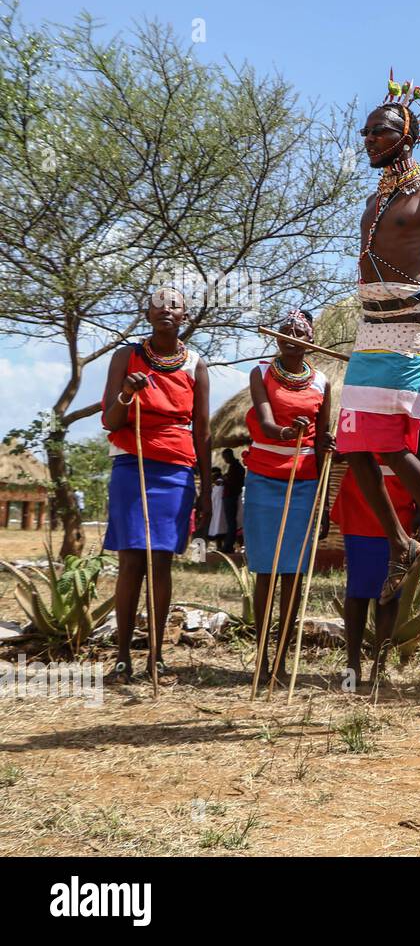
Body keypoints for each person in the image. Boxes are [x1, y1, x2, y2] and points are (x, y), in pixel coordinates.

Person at [336, 74, 420, 605]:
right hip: (370, 329)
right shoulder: (372, 203)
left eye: (380, 132)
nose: (368, 140)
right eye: (366, 132)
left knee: (391, 441)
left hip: (411, 326)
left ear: (407, 138)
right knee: (355, 446)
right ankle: (401, 543)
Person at [101, 287, 211, 683]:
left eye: (175, 305)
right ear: (147, 313)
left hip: (177, 468)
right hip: (132, 463)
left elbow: (203, 431)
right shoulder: (125, 356)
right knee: (131, 560)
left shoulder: (196, 364)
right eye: (158, 304)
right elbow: (110, 421)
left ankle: (156, 657)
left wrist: (207, 486)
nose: (166, 309)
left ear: (185, 316)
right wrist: (128, 394)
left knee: (161, 560)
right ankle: (121, 658)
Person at [242, 310, 333, 684]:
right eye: (286, 330)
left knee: (293, 573)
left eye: (300, 331)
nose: (292, 335)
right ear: (276, 338)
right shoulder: (261, 372)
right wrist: (284, 433)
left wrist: (324, 504)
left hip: (306, 483)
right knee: (266, 569)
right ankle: (262, 657)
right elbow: (264, 423)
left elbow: (324, 440)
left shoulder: (323, 382)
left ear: (311, 339)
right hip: (264, 478)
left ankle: (281, 660)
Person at [329, 459, 420, 692]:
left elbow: (418, 454)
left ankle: (380, 664)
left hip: (400, 496)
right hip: (359, 495)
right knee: (357, 587)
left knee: (391, 587)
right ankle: (353, 664)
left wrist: (419, 506)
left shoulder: (418, 419)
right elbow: (343, 448)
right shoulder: (356, 419)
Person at [219, 448, 244, 553]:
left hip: (231, 497)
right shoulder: (234, 467)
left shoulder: (236, 467)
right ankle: (228, 545)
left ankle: (228, 546)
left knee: (231, 523)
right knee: (231, 522)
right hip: (230, 496)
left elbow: (234, 482)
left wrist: (225, 480)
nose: (225, 460)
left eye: (225, 457)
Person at [207, 468, 227, 544]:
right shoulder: (216, 485)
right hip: (216, 511)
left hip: (220, 511)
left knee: (220, 528)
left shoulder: (220, 485)